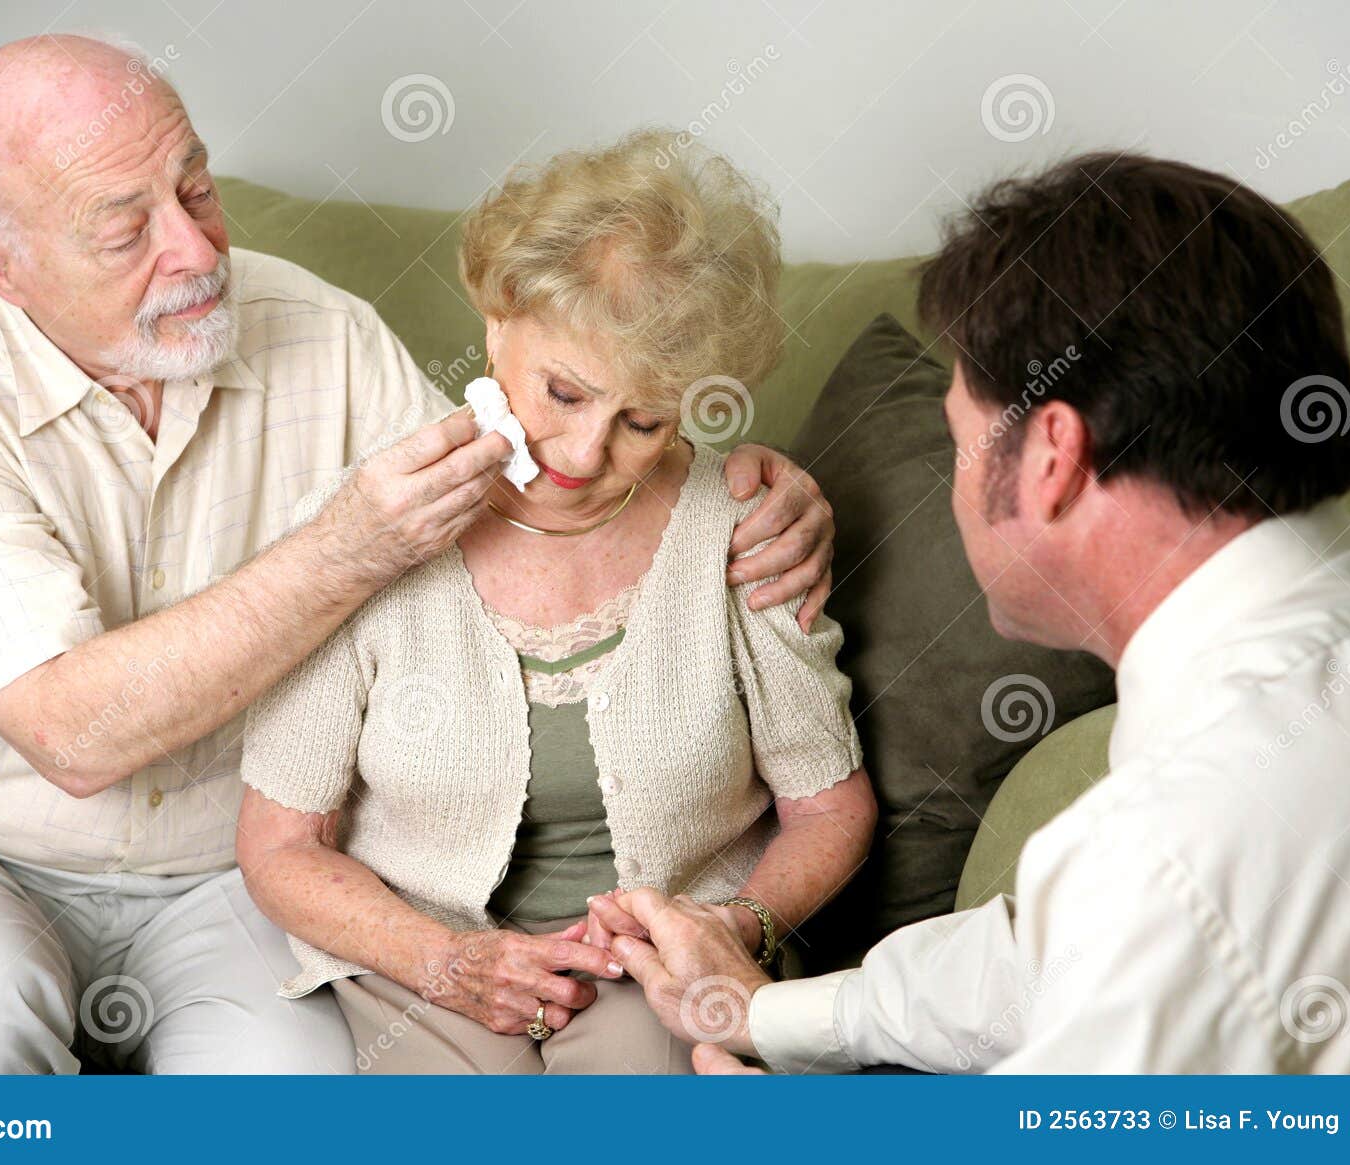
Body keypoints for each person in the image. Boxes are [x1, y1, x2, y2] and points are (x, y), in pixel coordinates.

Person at [0, 38, 839, 1074]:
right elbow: (72, 736)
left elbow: (525, 492)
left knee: (283, 1099)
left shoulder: (318, 331)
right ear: (3, 262)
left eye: (194, 189)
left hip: (220, 876)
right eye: (122, 226)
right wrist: (341, 550)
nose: (195, 251)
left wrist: (738, 485)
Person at [598, 152, 1350, 1074]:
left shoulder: (1178, 837)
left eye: (962, 439)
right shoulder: (1282, 699)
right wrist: (767, 1014)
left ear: (1051, 459)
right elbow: (1055, 962)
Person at [236, 130, 876, 1074]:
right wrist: (447, 961)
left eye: (643, 421)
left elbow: (829, 809)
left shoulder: (742, 528)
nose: (583, 454)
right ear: (498, 323)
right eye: (563, 392)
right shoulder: (369, 525)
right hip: (420, 960)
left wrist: (729, 929)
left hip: (657, 962)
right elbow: (281, 844)